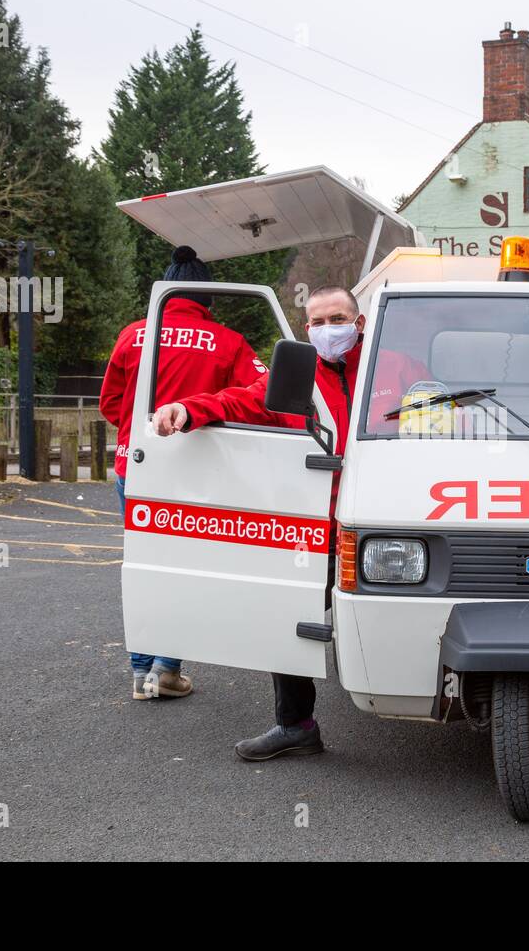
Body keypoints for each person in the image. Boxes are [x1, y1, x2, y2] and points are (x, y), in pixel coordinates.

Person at [152, 286, 427, 761]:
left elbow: (441, 416)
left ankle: (422, 700)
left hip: (386, 522)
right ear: (306, 329)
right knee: (286, 617)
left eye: (337, 318)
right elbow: (240, 401)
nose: (327, 330)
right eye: (317, 322)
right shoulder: (296, 373)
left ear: (359, 323)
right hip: (318, 519)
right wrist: (189, 409)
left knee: (400, 613)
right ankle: (295, 725)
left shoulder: (397, 367)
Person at [99, 245, 269, 701]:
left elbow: (111, 404)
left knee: (145, 564)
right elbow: (263, 393)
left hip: (133, 465)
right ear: (206, 298)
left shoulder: (133, 334)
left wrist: (143, 436)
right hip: (196, 474)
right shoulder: (227, 341)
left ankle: (142, 673)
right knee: (184, 569)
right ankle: (167, 669)